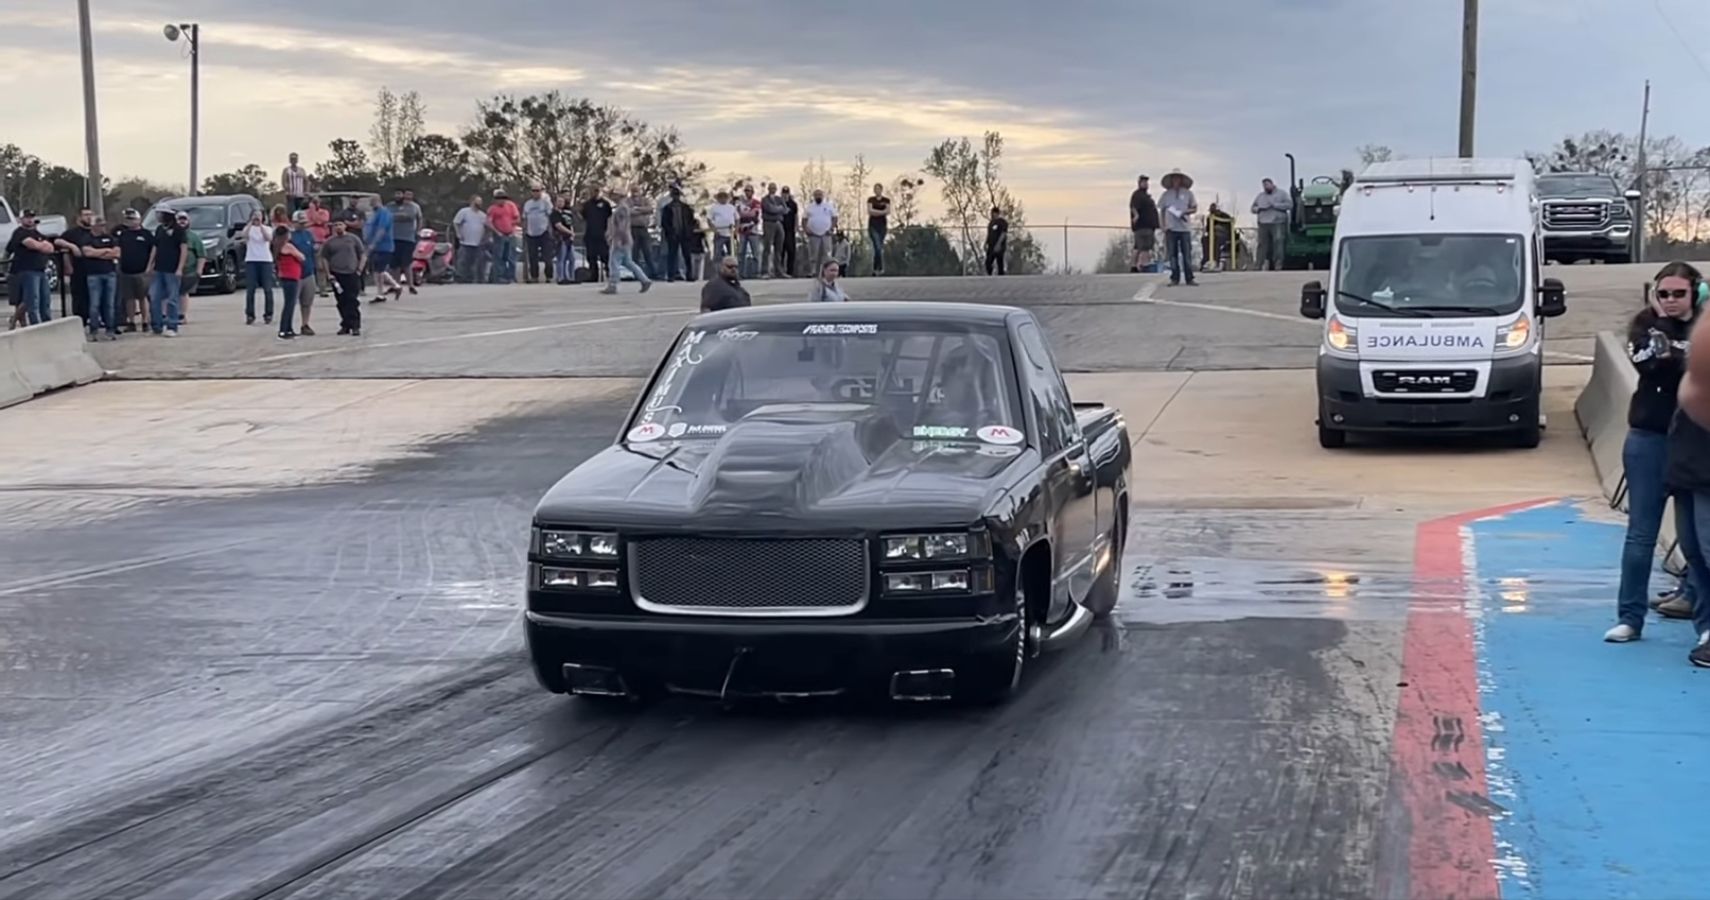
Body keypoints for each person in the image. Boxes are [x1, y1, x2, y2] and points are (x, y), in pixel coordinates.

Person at [1606, 263, 1702, 643]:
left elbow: (1694, 369)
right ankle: (1630, 616)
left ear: (1697, 293)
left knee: (1695, 538)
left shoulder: (1705, 327)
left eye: (1679, 294)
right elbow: (1649, 362)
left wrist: (1680, 353)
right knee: (1640, 535)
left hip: (1693, 444)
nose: (1672, 301)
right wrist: (1664, 328)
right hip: (1649, 440)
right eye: (1664, 294)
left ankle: (1702, 619)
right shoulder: (1645, 325)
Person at [5, 209, 55, 325]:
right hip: (26, 271)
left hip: (41, 270)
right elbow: (31, 244)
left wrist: (41, 246)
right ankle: (35, 326)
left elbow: (50, 248)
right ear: (21, 219)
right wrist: (41, 245)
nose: (30, 220)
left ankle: (47, 325)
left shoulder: (38, 234)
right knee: (32, 301)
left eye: (32, 217)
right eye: (27, 217)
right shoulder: (19, 232)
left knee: (45, 300)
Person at [601, 188, 653, 295]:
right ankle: (644, 280)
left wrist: (620, 239)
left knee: (614, 262)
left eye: (613, 195)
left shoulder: (622, 209)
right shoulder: (623, 208)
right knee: (628, 262)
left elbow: (622, 226)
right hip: (625, 238)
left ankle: (613, 284)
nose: (612, 197)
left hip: (620, 239)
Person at [146, 208, 188, 336]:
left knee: (172, 298)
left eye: (160, 214)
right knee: (154, 296)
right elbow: (155, 247)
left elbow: (183, 249)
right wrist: (150, 265)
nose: (158, 216)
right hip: (159, 269)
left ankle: (172, 325)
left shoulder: (179, 230)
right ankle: (157, 326)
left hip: (172, 269)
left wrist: (180, 268)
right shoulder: (159, 229)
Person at [321, 219, 367, 336]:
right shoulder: (329, 242)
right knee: (341, 301)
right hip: (337, 274)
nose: (338, 227)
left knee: (352, 300)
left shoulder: (353, 239)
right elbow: (325, 258)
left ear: (345, 226)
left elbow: (362, 254)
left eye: (340, 224)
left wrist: (359, 269)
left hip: (351, 273)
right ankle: (345, 324)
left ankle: (355, 325)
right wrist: (328, 274)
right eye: (335, 225)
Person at [78, 216, 120, 340]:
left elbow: (117, 253)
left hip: (110, 274)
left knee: (109, 304)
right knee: (94, 304)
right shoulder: (86, 239)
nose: (103, 227)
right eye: (100, 225)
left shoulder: (110, 238)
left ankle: (110, 329)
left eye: (103, 225)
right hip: (93, 275)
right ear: (93, 226)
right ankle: (93, 331)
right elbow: (87, 253)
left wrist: (98, 253)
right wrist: (106, 252)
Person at [55, 207, 97, 323]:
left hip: (96, 270)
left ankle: (95, 319)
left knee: (94, 297)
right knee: (79, 296)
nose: (89, 217)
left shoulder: (96, 232)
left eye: (91, 214)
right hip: (79, 270)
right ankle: (80, 320)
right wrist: (72, 246)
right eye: (86, 215)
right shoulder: (72, 233)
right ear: (79, 218)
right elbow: (57, 241)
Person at [115, 209, 154, 332]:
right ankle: (131, 322)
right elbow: (118, 251)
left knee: (143, 297)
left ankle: (145, 321)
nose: (131, 221)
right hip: (126, 271)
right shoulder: (123, 235)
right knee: (129, 298)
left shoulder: (146, 234)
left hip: (142, 271)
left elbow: (154, 251)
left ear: (139, 219)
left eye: (133, 219)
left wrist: (150, 267)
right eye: (128, 219)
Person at [1158, 169, 1199, 286]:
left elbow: (1194, 208)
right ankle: (1174, 278)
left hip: (1184, 228)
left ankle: (1189, 278)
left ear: (1181, 180)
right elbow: (1162, 210)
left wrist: (1185, 212)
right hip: (1171, 228)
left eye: (1178, 178)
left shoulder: (1188, 193)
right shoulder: (1166, 195)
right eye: (1174, 178)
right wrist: (1163, 225)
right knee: (1172, 255)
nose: (1176, 180)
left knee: (1187, 254)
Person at [240, 209, 276, 325]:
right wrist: (251, 224)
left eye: (259, 215)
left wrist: (261, 226)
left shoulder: (267, 229)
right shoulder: (248, 229)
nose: (256, 217)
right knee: (250, 289)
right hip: (251, 260)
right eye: (254, 215)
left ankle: (268, 314)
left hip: (265, 260)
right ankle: (250, 314)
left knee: (267, 289)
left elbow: (268, 238)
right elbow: (244, 236)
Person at [363, 197, 403, 302]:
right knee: (377, 270)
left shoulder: (384, 213)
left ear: (379, 202)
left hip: (384, 246)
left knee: (379, 270)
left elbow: (382, 229)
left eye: (373, 203)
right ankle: (392, 288)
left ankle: (385, 291)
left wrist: (374, 243)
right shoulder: (374, 214)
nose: (372, 206)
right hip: (374, 246)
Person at [273, 224, 306, 340]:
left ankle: (288, 328)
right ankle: (284, 329)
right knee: (289, 304)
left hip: (285, 276)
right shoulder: (288, 246)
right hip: (291, 276)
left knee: (289, 303)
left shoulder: (277, 246)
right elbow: (301, 257)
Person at [1252, 178, 1292, 272]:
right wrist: (1259, 209)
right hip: (1263, 223)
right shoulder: (1260, 196)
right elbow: (1253, 208)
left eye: (1267, 184)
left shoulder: (1282, 194)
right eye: (1264, 185)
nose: (1266, 187)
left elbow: (1289, 205)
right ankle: (1258, 265)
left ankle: (1278, 264)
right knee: (1261, 244)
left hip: (1277, 222)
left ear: (1272, 184)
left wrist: (1275, 205)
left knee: (1278, 242)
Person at [288, 211, 319, 335]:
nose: (303, 225)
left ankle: (305, 324)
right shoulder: (290, 236)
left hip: (308, 271)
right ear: (294, 222)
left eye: (304, 223)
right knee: (291, 301)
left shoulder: (308, 235)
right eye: (300, 223)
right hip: (295, 273)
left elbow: (313, 251)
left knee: (307, 302)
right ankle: (288, 325)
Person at [388, 189, 422, 295]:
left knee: (406, 263)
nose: (397, 195)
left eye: (399, 193)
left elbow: (410, 216)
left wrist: (397, 216)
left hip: (407, 237)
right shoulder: (390, 206)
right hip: (393, 237)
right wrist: (401, 216)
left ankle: (411, 285)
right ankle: (396, 285)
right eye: (396, 193)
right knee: (394, 264)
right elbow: (387, 217)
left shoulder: (412, 206)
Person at [660, 186, 696, 282]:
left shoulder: (686, 208)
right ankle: (671, 275)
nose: (676, 197)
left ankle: (690, 274)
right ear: (672, 196)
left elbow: (692, 221)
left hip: (685, 234)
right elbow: (664, 222)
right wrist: (670, 232)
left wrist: (689, 231)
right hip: (673, 235)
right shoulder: (667, 208)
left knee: (687, 255)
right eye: (674, 195)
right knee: (672, 255)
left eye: (677, 195)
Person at [176, 210, 205, 326]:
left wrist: (199, 270)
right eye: (180, 219)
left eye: (184, 219)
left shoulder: (194, 237)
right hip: (172, 270)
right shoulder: (172, 235)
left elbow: (201, 255)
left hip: (189, 271)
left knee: (183, 293)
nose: (182, 222)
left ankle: (182, 315)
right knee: (169, 294)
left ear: (188, 221)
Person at [485, 189, 520, 284]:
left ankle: (511, 276)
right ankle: (500, 277)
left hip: (510, 234)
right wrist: (496, 232)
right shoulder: (492, 209)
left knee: (511, 256)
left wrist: (512, 226)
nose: (502, 200)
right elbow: (489, 222)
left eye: (503, 198)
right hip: (499, 235)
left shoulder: (511, 206)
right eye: (499, 199)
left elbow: (517, 218)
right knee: (499, 257)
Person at [452, 195, 488, 284]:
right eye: (478, 201)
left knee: (477, 261)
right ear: (472, 202)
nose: (480, 203)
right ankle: (461, 278)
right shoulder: (464, 212)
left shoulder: (482, 215)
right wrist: (458, 234)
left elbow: (486, 227)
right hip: (465, 241)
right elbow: (456, 223)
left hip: (478, 242)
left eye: (480, 202)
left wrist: (485, 238)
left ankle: (475, 278)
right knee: (463, 260)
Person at [521, 183, 554, 284]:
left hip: (544, 232)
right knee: (532, 256)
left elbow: (550, 216)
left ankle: (549, 276)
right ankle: (534, 277)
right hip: (531, 233)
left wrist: (550, 230)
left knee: (547, 256)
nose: (536, 192)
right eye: (534, 190)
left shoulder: (545, 202)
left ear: (541, 191)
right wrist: (524, 230)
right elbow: (524, 218)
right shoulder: (528, 204)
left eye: (538, 190)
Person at [580, 187, 613, 284]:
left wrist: (609, 232)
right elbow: (583, 217)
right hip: (590, 234)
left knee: (605, 255)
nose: (595, 193)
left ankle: (610, 274)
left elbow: (610, 218)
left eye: (597, 191)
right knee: (591, 256)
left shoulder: (606, 204)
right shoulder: (587, 205)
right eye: (593, 191)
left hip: (602, 234)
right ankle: (593, 276)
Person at [1129, 175, 1160, 273]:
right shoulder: (1137, 195)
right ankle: (1135, 266)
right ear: (1139, 183)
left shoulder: (1147, 196)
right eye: (1143, 182)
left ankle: (1144, 265)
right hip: (1141, 225)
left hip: (1149, 225)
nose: (1146, 184)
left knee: (1147, 246)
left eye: (1146, 182)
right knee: (1139, 246)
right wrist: (1136, 215)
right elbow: (1133, 206)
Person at [802, 189, 838, 274]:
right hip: (813, 234)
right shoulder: (810, 207)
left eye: (820, 195)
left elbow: (835, 218)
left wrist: (831, 228)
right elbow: (804, 220)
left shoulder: (829, 206)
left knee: (827, 254)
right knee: (813, 254)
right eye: (816, 195)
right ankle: (813, 271)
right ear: (814, 196)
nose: (818, 197)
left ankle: (826, 271)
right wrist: (806, 230)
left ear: (823, 196)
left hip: (826, 234)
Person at [626, 184, 658, 280]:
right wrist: (641, 211)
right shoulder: (627, 201)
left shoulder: (644, 200)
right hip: (632, 229)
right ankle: (636, 274)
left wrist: (638, 209)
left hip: (643, 229)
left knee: (647, 251)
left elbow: (650, 209)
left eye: (636, 190)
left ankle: (653, 273)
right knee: (634, 253)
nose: (635, 192)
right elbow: (627, 211)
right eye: (633, 190)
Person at [305, 197, 332, 297]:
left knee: (320, 266)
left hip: (320, 241)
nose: (315, 204)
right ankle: (309, 288)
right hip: (308, 241)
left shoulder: (324, 212)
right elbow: (304, 224)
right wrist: (313, 222)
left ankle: (322, 288)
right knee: (308, 266)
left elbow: (320, 221)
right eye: (313, 202)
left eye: (317, 202)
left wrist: (313, 213)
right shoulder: (304, 213)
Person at [735, 185, 763, 279]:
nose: (748, 192)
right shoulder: (739, 203)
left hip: (753, 230)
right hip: (742, 231)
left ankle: (756, 273)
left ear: (752, 192)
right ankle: (740, 274)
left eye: (749, 190)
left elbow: (755, 215)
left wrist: (746, 217)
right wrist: (746, 215)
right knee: (740, 253)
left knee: (756, 253)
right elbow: (738, 215)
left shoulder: (756, 202)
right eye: (746, 190)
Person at [761, 183, 788, 278]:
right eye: (771, 188)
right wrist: (778, 209)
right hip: (768, 223)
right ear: (768, 189)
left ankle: (779, 271)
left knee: (779, 248)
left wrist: (778, 209)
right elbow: (769, 209)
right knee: (767, 247)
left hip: (779, 223)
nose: (773, 189)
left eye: (774, 188)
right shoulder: (765, 199)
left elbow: (785, 210)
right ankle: (765, 271)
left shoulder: (779, 199)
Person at [551, 194, 578, 284]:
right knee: (561, 259)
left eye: (562, 201)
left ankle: (571, 277)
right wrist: (569, 232)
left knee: (572, 259)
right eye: (559, 201)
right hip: (560, 238)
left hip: (569, 239)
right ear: (555, 203)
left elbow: (570, 224)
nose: (561, 203)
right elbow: (558, 225)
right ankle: (561, 278)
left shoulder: (567, 213)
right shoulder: (555, 213)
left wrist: (572, 234)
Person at [707, 190, 738, 262]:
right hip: (719, 234)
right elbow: (709, 220)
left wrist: (736, 230)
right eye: (721, 197)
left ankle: (732, 270)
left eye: (724, 196)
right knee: (717, 254)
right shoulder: (714, 208)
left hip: (730, 234)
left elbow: (737, 219)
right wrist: (714, 230)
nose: (723, 198)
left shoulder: (731, 207)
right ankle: (717, 271)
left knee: (732, 254)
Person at [867, 184, 891, 275]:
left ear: (881, 190)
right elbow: (870, 211)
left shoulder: (886, 200)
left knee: (879, 248)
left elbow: (888, 211)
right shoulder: (871, 200)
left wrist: (876, 212)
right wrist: (882, 212)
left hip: (882, 226)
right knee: (877, 246)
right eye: (875, 189)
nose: (877, 190)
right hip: (873, 226)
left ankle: (875, 269)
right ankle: (879, 268)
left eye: (879, 189)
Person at [779, 186, 800, 277]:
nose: (785, 195)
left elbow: (796, 216)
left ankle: (790, 272)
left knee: (791, 251)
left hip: (790, 231)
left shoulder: (793, 204)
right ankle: (780, 271)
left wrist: (796, 227)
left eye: (786, 193)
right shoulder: (778, 203)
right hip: (780, 230)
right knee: (780, 251)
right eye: (784, 193)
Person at [984, 207, 1009, 276]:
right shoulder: (991, 223)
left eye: (993, 213)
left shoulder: (1002, 222)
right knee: (988, 262)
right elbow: (989, 234)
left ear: (997, 213)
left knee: (999, 262)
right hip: (991, 246)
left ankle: (1001, 275)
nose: (992, 215)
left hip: (999, 246)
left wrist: (999, 244)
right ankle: (990, 274)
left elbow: (1003, 233)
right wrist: (985, 243)